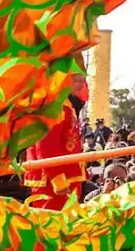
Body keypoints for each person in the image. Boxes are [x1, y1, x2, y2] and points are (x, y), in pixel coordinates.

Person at [23, 66, 89, 212]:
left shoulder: (66, 104)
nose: (81, 84)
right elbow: (46, 142)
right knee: (52, 225)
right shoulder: (52, 104)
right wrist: (56, 177)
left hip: (67, 178)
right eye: (76, 80)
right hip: (51, 181)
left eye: (83, 80)